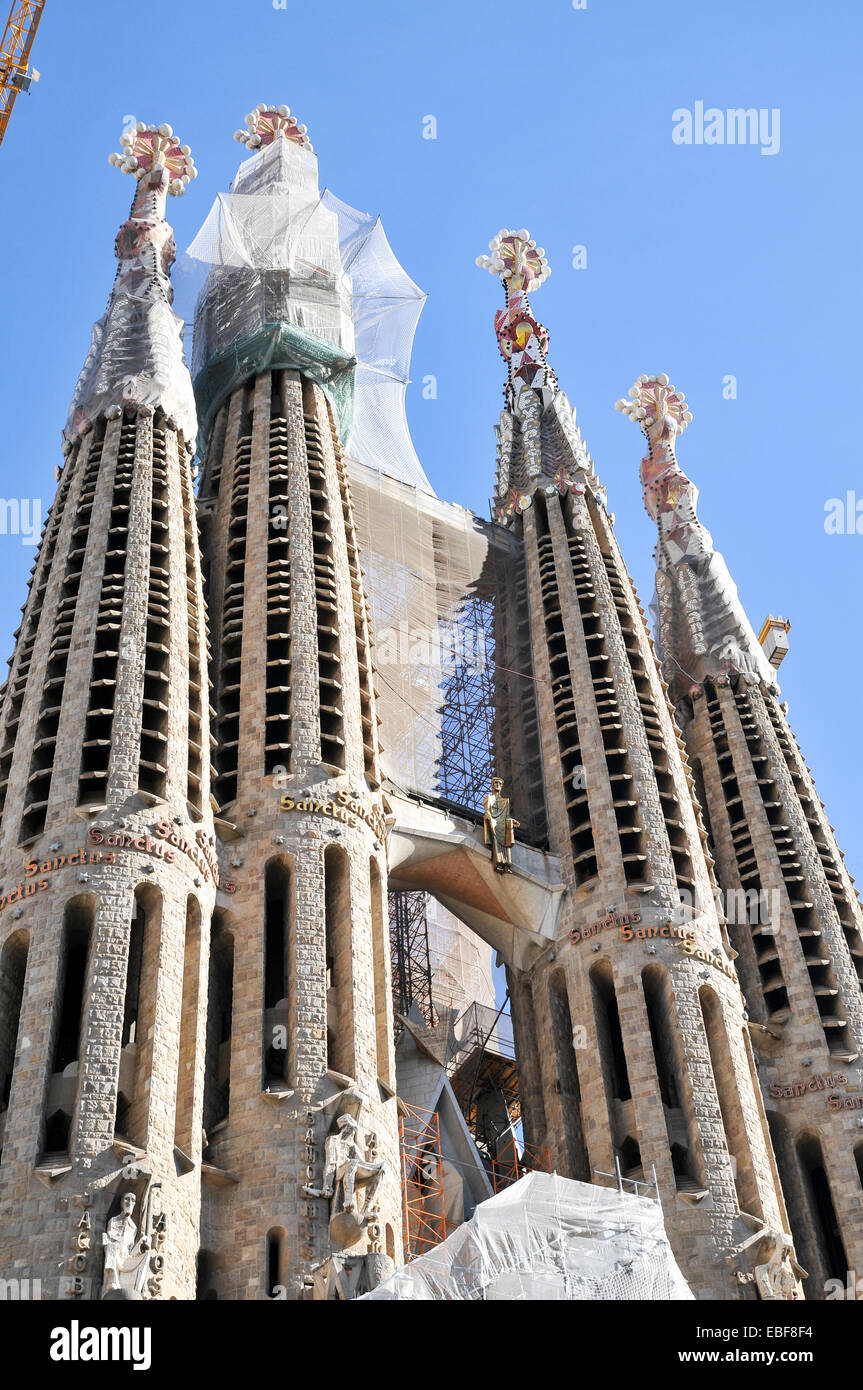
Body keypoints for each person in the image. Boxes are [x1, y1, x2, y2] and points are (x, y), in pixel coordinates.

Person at [102, 1192, 151, 1297]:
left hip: (126, 1258)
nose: (130, 1202)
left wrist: (140, 1246)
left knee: (146, 1255)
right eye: (127, 1199)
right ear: (121, 1203)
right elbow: (111, 1238)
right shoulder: (113, 1220)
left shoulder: (133, 1227)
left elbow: (130, 1248)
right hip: (115, 1253)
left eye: (133, 1200)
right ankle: (112, 1282)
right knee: (111, 1247)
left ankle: (137, 1289)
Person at [483, 777, 519, 873]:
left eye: (499, 783)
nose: (497, 785)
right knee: (496, 842)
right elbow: (487, 811)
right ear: (492, 785)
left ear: (502, 786)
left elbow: (507, 816)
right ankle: (498, 863)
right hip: (494, 823)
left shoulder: (505, 801)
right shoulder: (489, 798)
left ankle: (507, 864)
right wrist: (490, 818)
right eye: (496, 783)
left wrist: (512, 821)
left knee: (506, 842)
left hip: (503, 824)